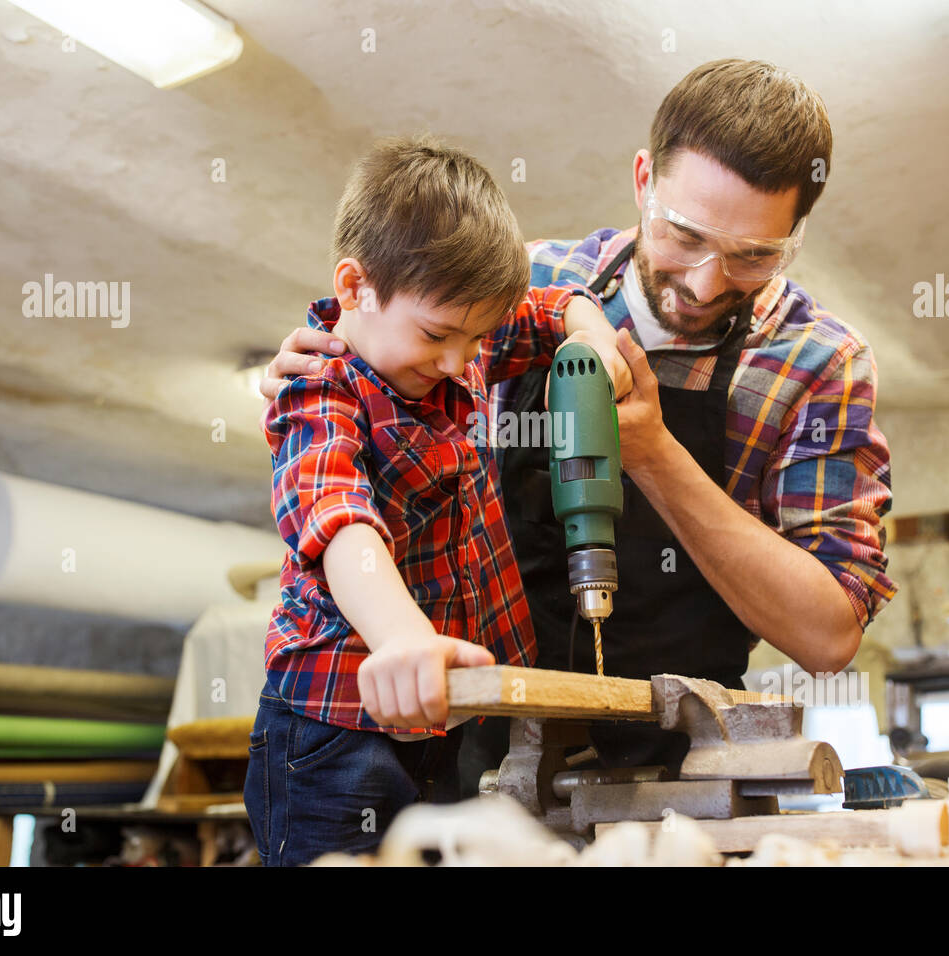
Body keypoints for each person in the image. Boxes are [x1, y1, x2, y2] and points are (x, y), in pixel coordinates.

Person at [261, 60, 897, 782]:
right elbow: (379, 336)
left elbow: (828, 638)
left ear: (794, 236)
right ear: (642, 181)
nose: (703, 282)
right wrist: (319, 373)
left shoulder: (821, 363)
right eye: (684, 236)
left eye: (753, 257)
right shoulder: (520, 280)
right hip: (476, 731)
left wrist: (654, 454)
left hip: (676, 761)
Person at [245, 136, 627, 865]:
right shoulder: (318, 390)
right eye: (438, 335)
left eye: (475, 336)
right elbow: (337, 519)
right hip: (332, 728)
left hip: (443, 717)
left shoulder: (461, 340)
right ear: (355, 286)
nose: (460, 360)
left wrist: (593, 333)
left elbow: (548, 309)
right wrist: (402, 637)